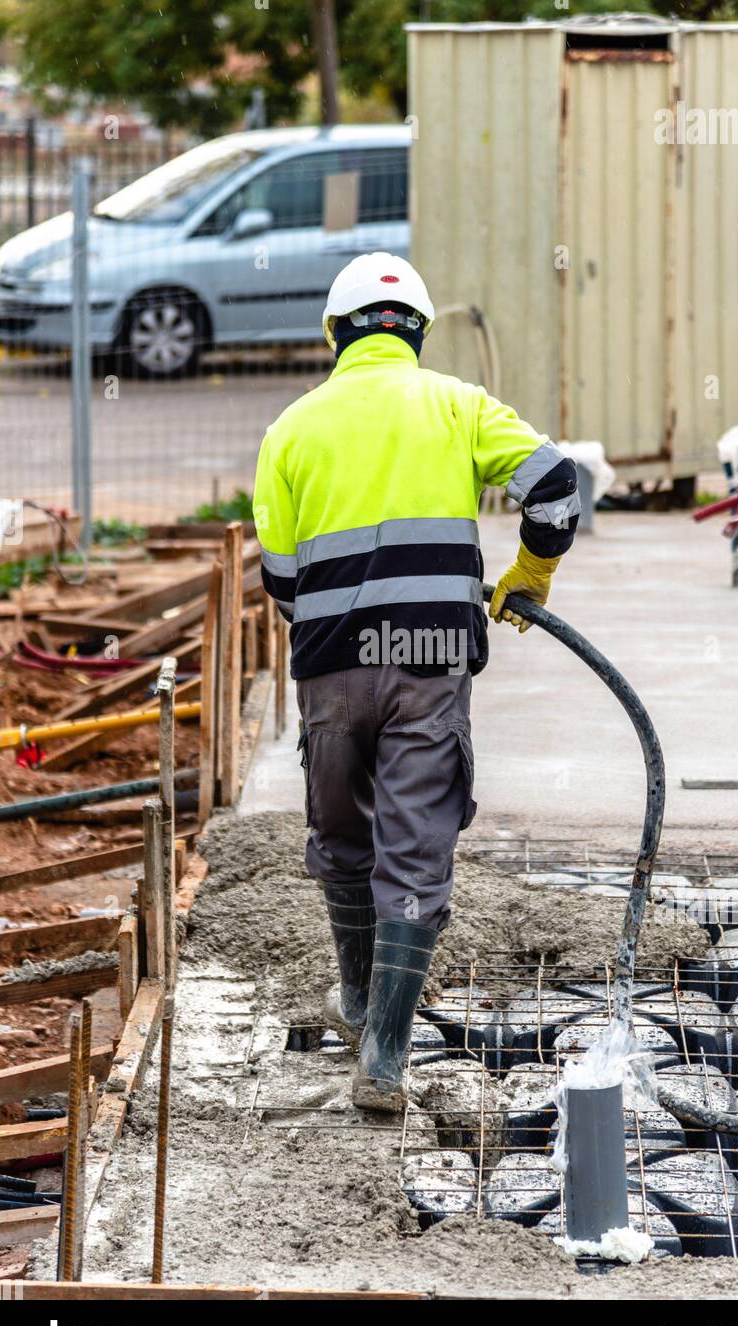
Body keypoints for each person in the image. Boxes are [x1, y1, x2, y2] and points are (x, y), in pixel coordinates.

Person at [253, 253, 579, 1111]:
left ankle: (359, 1001)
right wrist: (529, 575)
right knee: (415, 845)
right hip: (432, 658)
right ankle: (385, 1060)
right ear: (418, 335)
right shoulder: (460, 405)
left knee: (341, 834)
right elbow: (554, 488)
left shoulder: (290, 429)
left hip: (331, 667)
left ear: (335, 334)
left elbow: (281, 581)